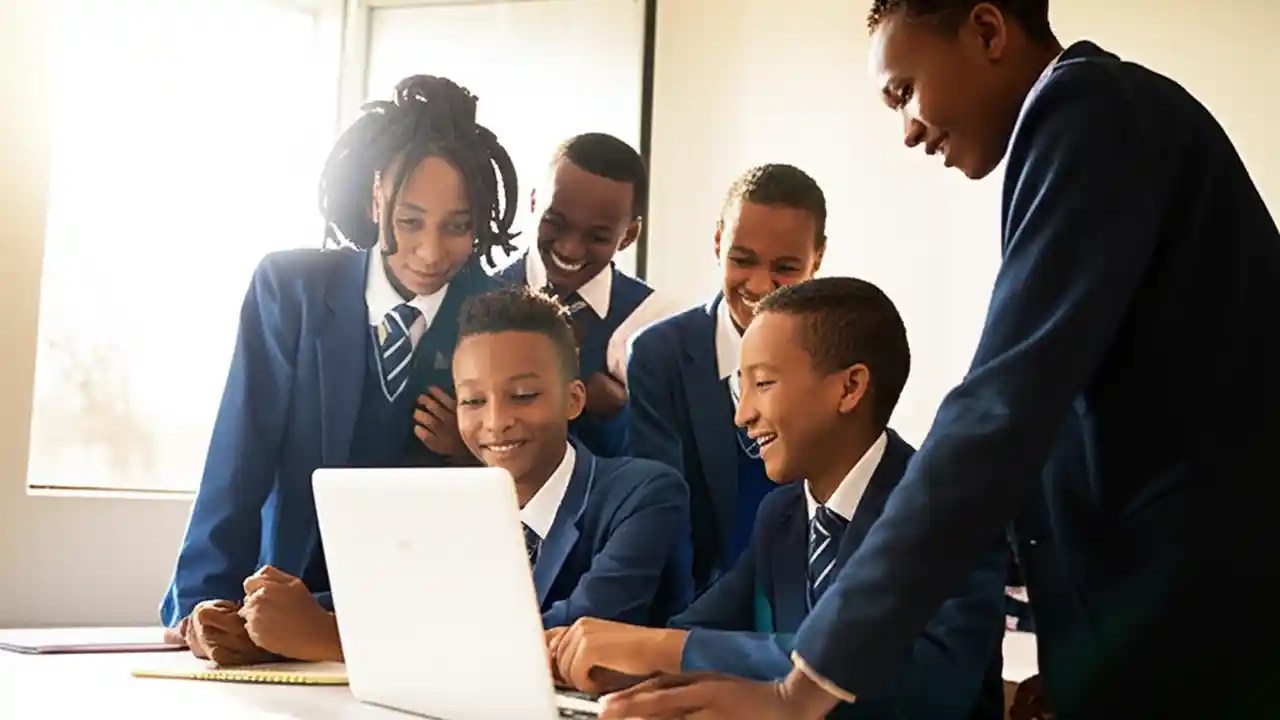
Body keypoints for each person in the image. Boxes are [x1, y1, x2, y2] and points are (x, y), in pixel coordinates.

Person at [598, 2, 1280, 718]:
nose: (910, 130)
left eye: (904, 91)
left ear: (987, 31)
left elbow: (1004, 404)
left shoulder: (1089, 107)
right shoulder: (1102, 127)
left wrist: (803, 689)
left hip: (1207, 610)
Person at [164, 75, 518, 666]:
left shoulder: (502, 313)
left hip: (420, 615)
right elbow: (239, 455)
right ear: (377, 198)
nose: (431, 252)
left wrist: (475, 449)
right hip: (278, 604)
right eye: (410, 221)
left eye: (457, 226)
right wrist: (201, 602)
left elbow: (542, 472)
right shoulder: (291, 291)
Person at [551, 277, 1005, 719]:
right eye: (739, 387)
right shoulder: (782, 514)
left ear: (849, 388)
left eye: (763, 384)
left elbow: (927, 686)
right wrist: (622, 665)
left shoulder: (947, 513)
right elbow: (696, 633)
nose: (743, 414)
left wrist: (662, 649)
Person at [229, 287, 693, 663]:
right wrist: (253, 622)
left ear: (573, 400)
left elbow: (575, 636)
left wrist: (332, 640)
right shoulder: (452, 504)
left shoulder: (644, 493)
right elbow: (381, 597)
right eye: (473, 401)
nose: (495, 422)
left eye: (524, 395)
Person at [627, 164, 827, 592]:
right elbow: (664, 515)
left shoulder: (835, 357)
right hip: (695, 603)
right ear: (718, 241)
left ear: (818, 258)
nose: (759, 284)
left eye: (786, 267)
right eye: (742, 260)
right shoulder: (658, 357)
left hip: (805, 602)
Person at [495, 133, 677, 458]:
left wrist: (619, 413)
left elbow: (668, 463)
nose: (570, 247)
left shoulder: (654, 324)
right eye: (555, 222)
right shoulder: (482, 299)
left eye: (597, 236)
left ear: (629, 235)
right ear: (534, 201)